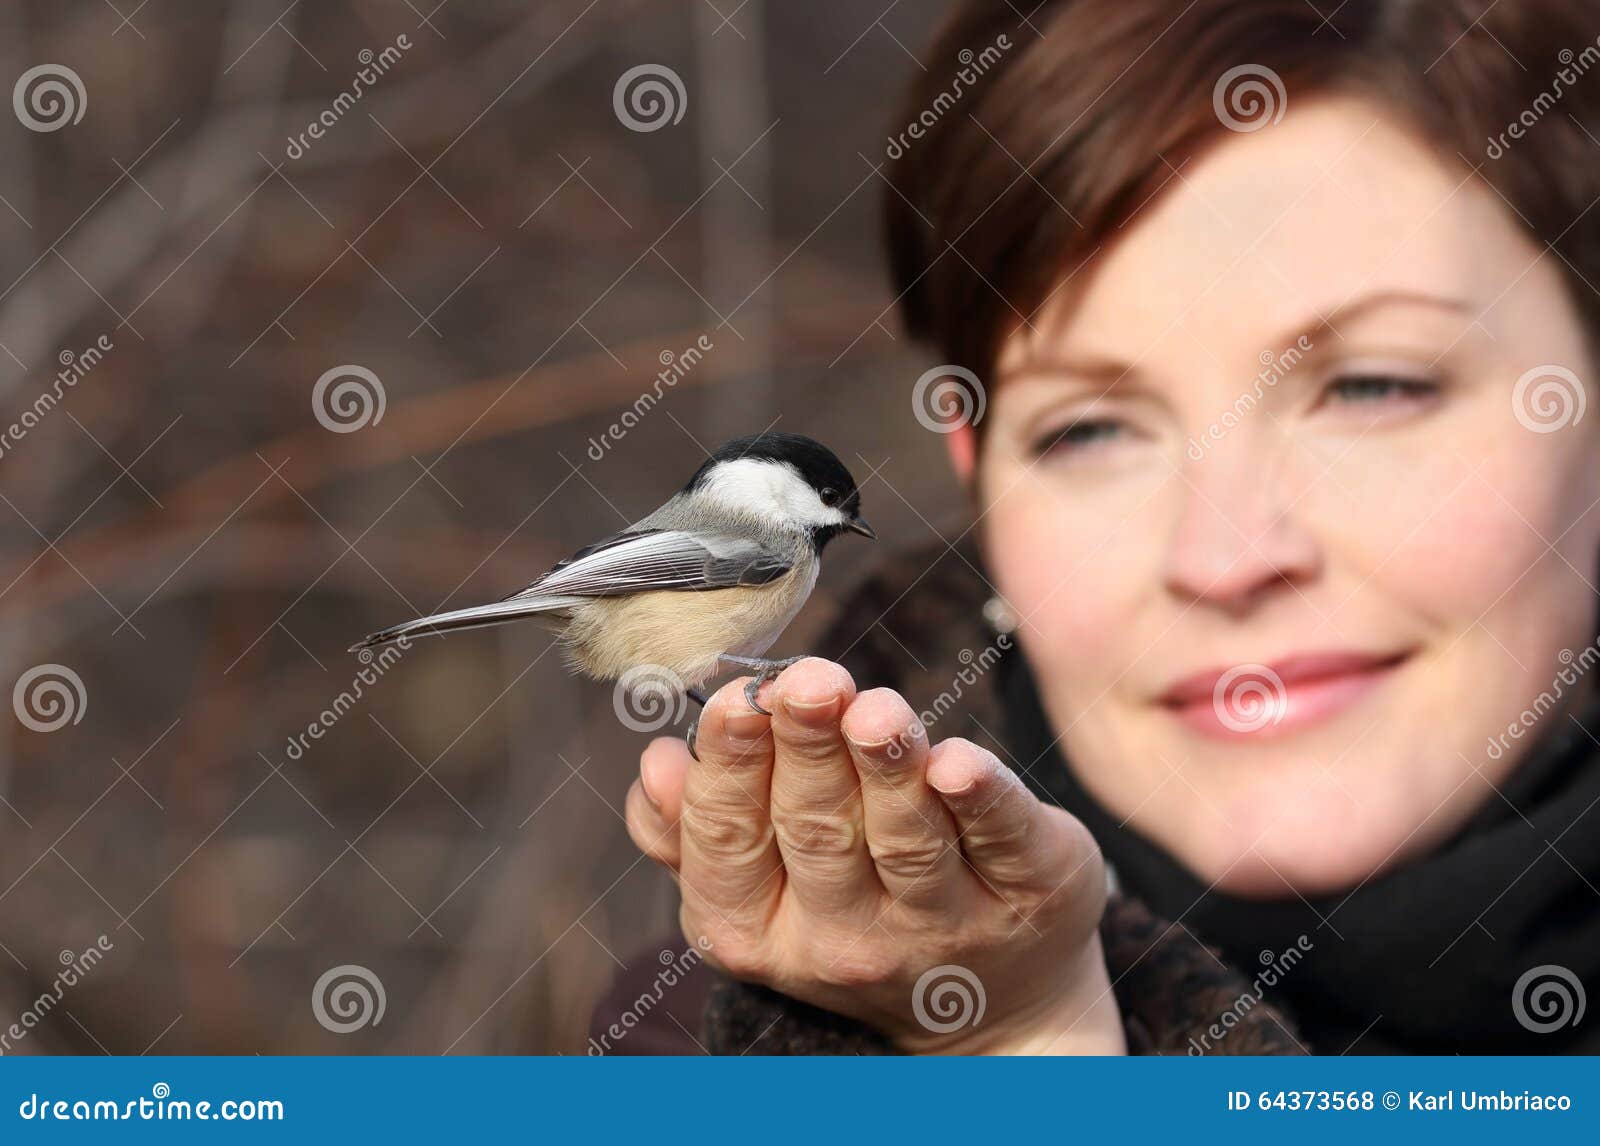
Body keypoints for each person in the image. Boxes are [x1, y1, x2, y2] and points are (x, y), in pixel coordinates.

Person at [598, 0, 1600, 1054]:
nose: (1224, 558)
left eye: (1372, 387)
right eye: (1089, 430)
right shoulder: (702, 1056)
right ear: (977, 470)